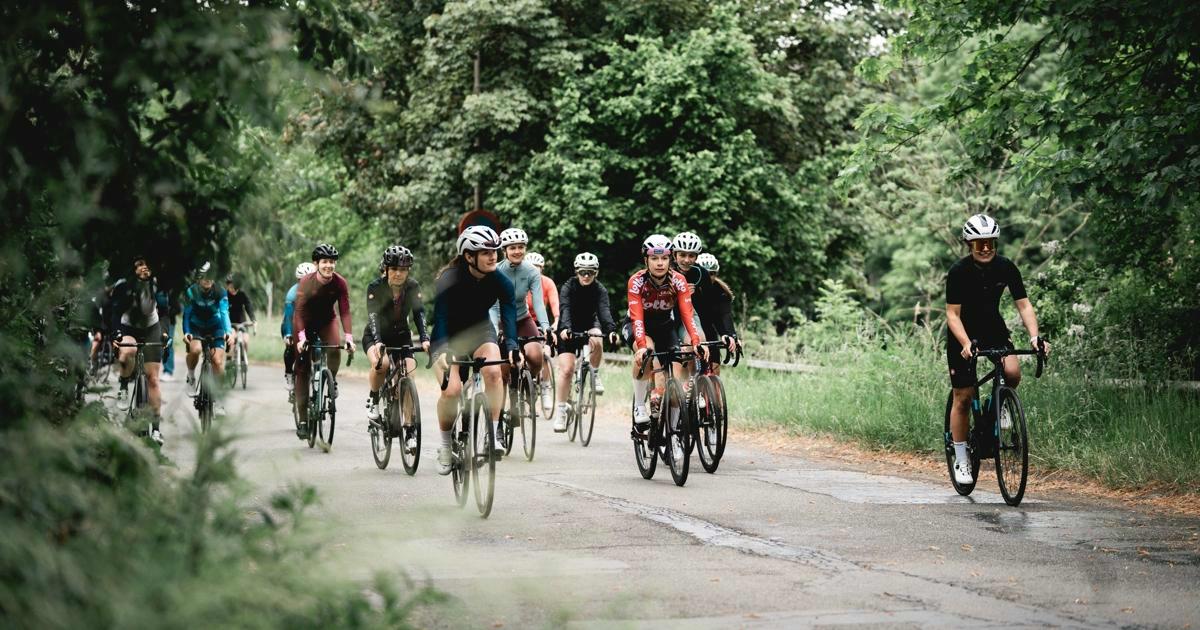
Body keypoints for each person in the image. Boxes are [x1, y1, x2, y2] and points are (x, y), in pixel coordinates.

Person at [945, 214, 1051, 485]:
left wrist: (1035, 337)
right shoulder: (958, 271)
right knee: (964, 396)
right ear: (969, 244)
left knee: (1013, 373)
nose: (984, 248)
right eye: (978, 243)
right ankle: (962, 459)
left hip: (993, 328)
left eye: (989, 242)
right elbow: (952, 315)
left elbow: (1024, 305)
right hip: (963, 333)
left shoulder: (1006, 267)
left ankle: (1002, 402)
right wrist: (966, 343)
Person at [431, 226, 520, 474]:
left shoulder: (500, 280)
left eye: (494, 251)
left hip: (481, 332)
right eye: (486, 252)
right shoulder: (449, 279)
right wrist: (443, 350)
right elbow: (439, 319)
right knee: (452, 391)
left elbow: (509, 315)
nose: (494, 256)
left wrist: (512, 345)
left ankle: (493, 432)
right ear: (469, 256)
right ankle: (446, 446)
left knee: (493, 372)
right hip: (449, 336)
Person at [625, 235, 708, 447]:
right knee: (648, 354)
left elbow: (687, 314)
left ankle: (673, 436)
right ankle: (639, 407)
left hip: (665, 327)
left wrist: (696, 341)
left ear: (670, 259)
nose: (660, 263)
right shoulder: (636, 281)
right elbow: (637, 317)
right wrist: (642, 346)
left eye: (664, 258)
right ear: (646, 260)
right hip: (639, 326)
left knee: (677, 378)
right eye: (655, 258)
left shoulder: (678, 281)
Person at [363, 245, 429, 454]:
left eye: (404, 269)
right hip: (376, 335)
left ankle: (409, 430)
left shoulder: (413, 286)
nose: (399, 273)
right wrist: (378, 341)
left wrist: (425, 339)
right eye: (394, 269)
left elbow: (419, 314)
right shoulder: (375, 287)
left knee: (408, 374)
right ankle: (373, 400)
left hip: (401, 335)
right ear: (386, 269)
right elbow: (372, 316)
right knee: (381, 364)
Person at [293, 244, 354, 439]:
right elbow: (300, 311)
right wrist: (301, 339)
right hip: (305, 323)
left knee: (335, 349)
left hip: (327, 321)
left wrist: (349, 338)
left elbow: (344, 310)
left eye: (332, 262)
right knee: (303, 369)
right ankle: (303, 421)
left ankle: (331, 380)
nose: (329, 265)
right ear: (316, 264)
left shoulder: (340, 283)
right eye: (325, 262)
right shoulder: (306, 282)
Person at [489, 228, 554, 409]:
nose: (517, 251)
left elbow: (539, 303)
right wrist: (495, 330)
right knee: (502, 372)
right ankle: (499, 419)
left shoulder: (532, 271)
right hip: (501, 320)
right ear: (504, 251)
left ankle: (527, 386)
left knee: (536, 355)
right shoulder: (496, 271)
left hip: (523, 318)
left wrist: (546, 327)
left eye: (520, 247)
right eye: (512, 248)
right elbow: (493, 306)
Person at [554, 252, 620, 431]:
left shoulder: (600, 290)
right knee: (566, 370)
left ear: (596, 273)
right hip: (568, 329)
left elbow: (604, 312)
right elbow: (565, 309)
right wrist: (565, 329)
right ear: (577, 272)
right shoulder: (568, 287)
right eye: (583, 272)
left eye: (590, 272)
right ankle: (560, 411)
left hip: (589, 323)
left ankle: (595, 373)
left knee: (597, 339)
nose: (586, 276)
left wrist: (612, 331)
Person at [109, 256, 167, 443]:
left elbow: (165, 312)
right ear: (133, 268)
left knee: (154, 380)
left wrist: (165, 333)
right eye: (140, 265)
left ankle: (156, 429)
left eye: (147, 264)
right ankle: (124, 384)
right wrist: (116, 334)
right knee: (128, 351)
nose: (144, 268)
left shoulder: (157, 285)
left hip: (152, 328)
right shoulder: (124, 285)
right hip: (128, 327)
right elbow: (114, 312)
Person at [181, 262, 232, 399]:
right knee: (196, 350)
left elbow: (224, 312)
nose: (208, 279)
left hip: (216, 326)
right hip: (196, 326)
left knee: (217, 361)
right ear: (198, 278)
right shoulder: (191, 291)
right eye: (204, 276)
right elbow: (186, 315)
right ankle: (191, 375)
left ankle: (220, 399)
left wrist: (228, 331)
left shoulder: (220, 291)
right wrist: (186, 332)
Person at [694, 253, 740, 363]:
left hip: (710, 329)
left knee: (715, 368)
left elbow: (725, 315)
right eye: (705, 273)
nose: (708, 277)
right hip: (691, 330)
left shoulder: (721, 291)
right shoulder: (689, 288)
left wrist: (731, 335)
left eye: (712, 274)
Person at [282, 262, 316, 402]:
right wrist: (289, 334)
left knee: (319, 350)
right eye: (301, 280)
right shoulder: (292, 294)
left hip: (312, 326)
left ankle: (318, 377)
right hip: (293, 324)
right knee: (290, 346)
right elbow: (289, 318)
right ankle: (289, 373)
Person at [225, 273, 256, 362]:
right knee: (231, 341)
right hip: (230, 323)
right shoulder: (225, 295)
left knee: (245, 341)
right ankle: (229, 359)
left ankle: (243, 359)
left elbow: (248, 306)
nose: (233, 289)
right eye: (231, 287)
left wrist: (253, 319)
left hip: (242, 321)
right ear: (227, 286)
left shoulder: (242, 294)